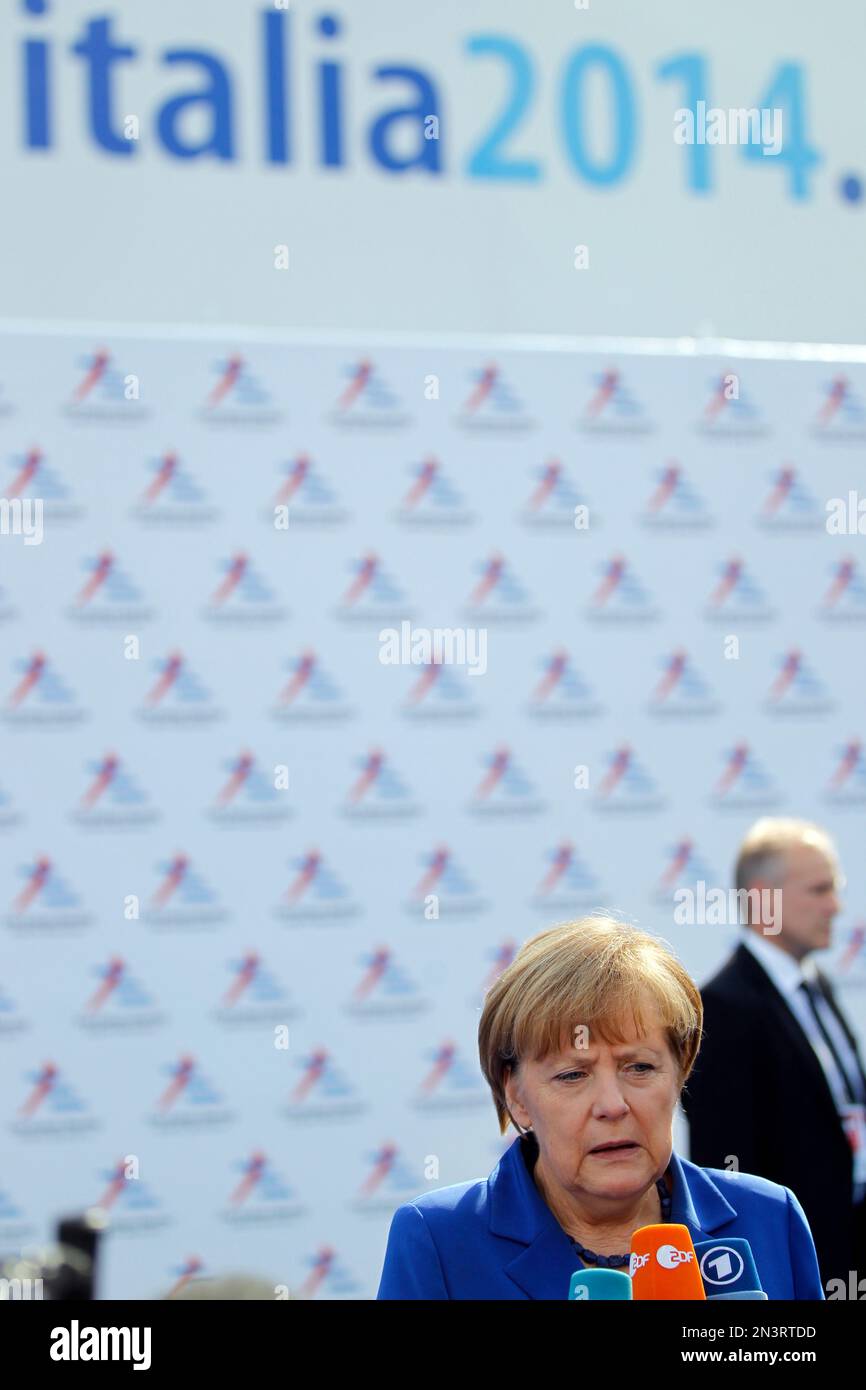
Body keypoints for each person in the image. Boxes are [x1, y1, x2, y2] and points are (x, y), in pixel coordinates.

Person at [377, 915, 823, 1299]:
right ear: (516, 1095)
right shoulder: (438, 1241)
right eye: (573, 1075)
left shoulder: (769, 1218)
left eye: (640, 1068)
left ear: (680, 1071)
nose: (613, 1105)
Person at [682, 818, 866, 1291]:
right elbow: (724, 1173)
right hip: (792, 1272)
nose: (836, 906)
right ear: (764, 899)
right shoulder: (723, 1007)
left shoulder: (816, 984)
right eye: (820, 890)